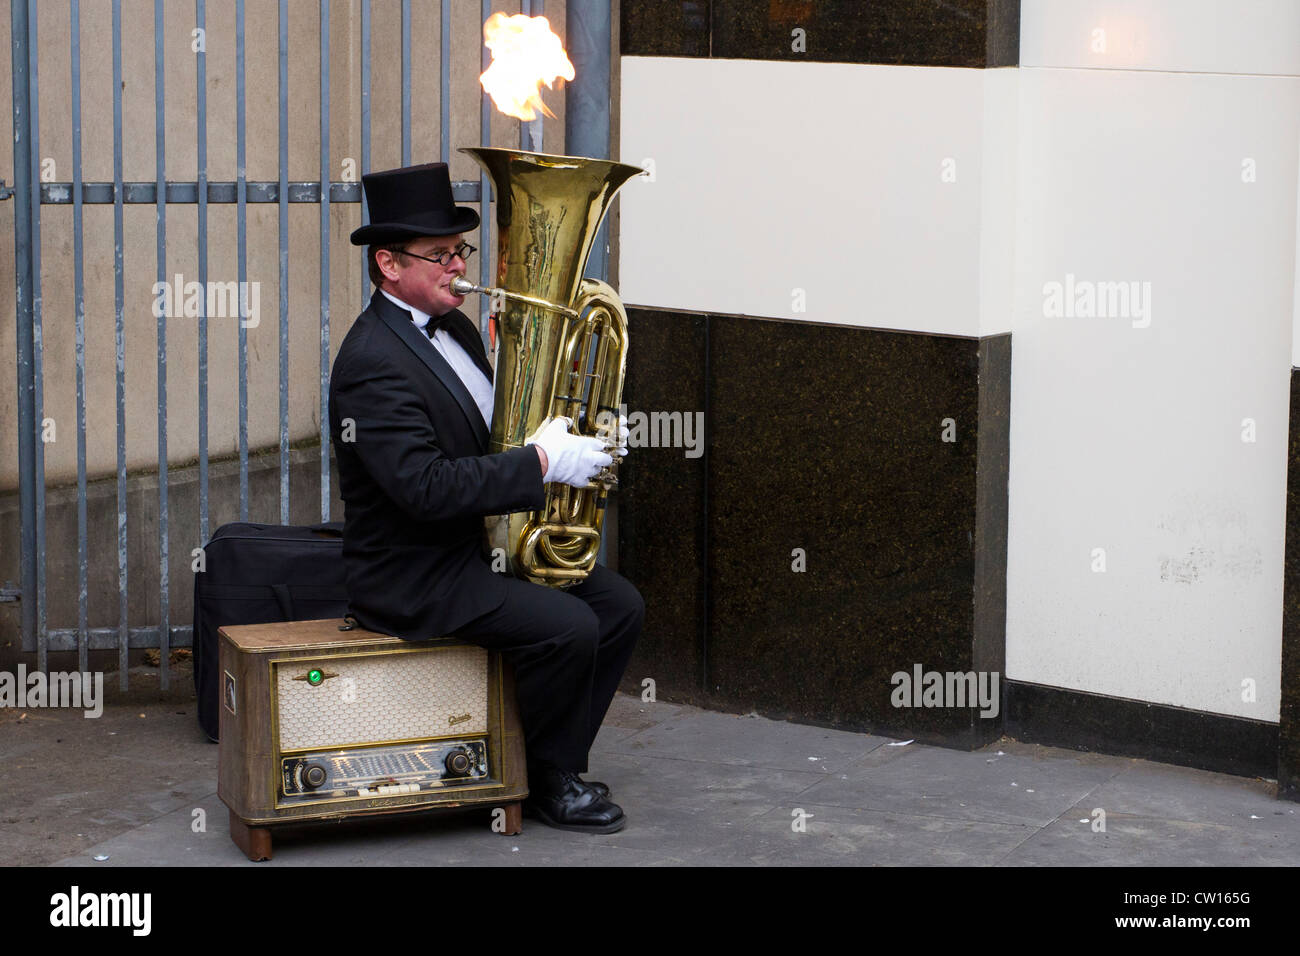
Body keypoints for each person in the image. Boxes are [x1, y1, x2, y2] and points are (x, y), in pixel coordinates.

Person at [328, 162, 643, 834]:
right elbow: (425, 488)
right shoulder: (370, 363)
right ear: (387, 263)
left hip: (475, 554)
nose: (456, 267)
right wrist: (542, 463)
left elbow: (492, 435)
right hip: (415, 573)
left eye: (459, 250)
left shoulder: (459, 330)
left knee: (617, 604)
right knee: (569, 626)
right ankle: (549, 783)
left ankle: (541, 758)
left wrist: (568, 437)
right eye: (438, 255)